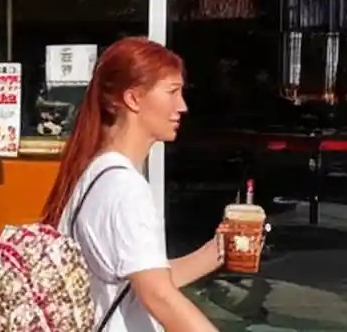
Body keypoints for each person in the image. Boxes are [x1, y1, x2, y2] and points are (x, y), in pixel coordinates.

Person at [42, 37, 223, 332]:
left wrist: (216, 251)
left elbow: (141, 279)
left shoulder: (95, 173)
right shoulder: (125, 189)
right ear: (134, 99)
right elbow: (158, 296)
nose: (183, 106)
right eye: (172, 92)